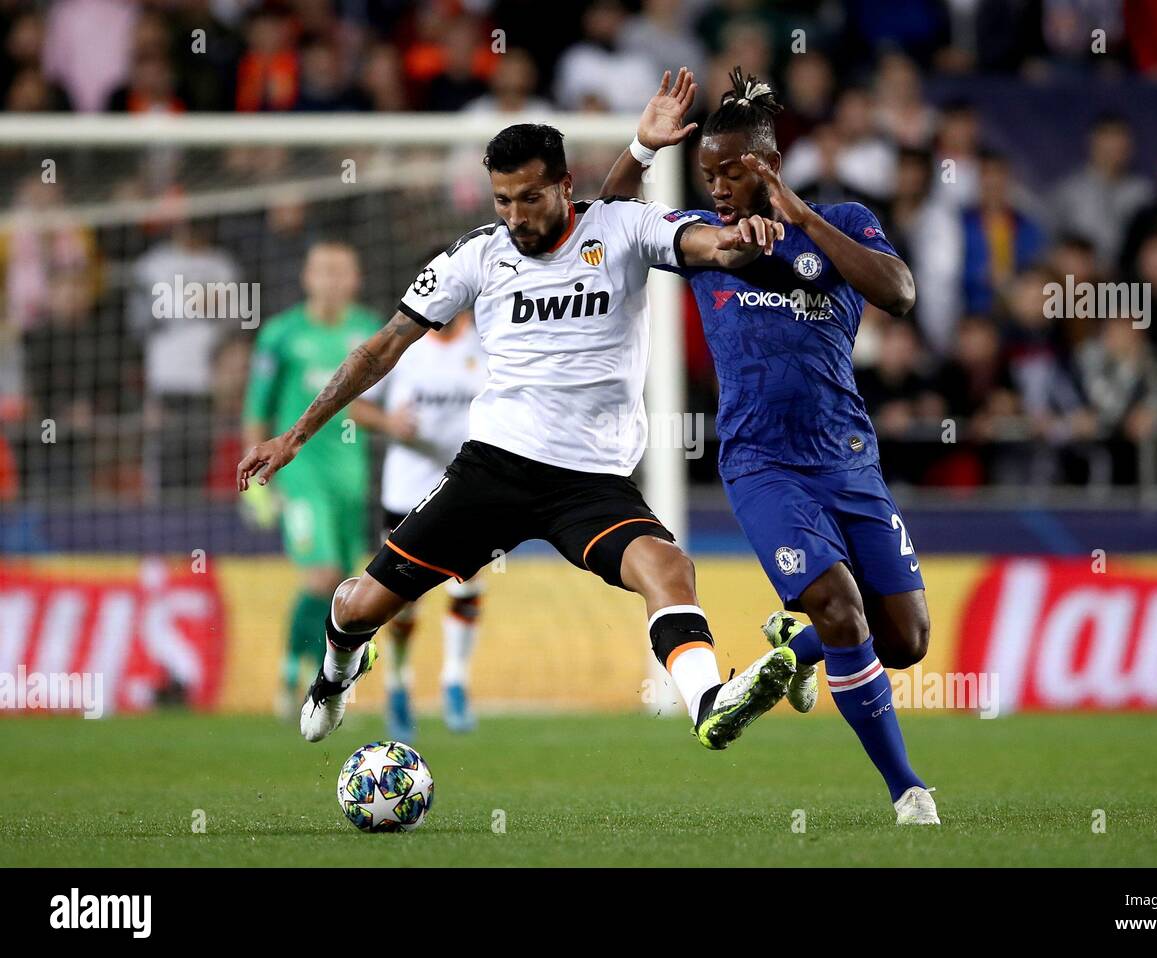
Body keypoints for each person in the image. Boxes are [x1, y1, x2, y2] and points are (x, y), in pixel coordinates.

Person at [238, 115, 796, 753]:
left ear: (564, 184)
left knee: (669, 567)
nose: (516, 216)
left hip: (590, 483)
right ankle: (336, 673)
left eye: (530, 198)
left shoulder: (625, 227)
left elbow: (712, 246)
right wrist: (295, 435)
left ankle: (708, 705)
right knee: (359, 607)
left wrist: (744, 235)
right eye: (502, 200)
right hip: (493, 470)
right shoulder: (477, 254)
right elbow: (381, 348)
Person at [601, 67, 938, 824]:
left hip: (848, 459)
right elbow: (601, 223)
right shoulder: (700, 239)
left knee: (907, 641)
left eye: (731, 171)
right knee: (842, 608)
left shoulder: (846, 219)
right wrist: (640, 148)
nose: (717, 186)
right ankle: (907, 789)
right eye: (706, 173)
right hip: (761, 464)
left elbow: (900, 294)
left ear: (769, 165)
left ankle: (796, 643)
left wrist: (802, 218)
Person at [242, 242, 383, 717]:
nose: (332, 279)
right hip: (300, 476)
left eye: (341, 270)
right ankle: (292, 669)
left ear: (355, 278)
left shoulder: (367, 330)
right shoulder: (281, 335)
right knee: (321, 575)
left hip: (351, 478)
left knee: (346, 590)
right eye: (323, 270)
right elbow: (256, 410)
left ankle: (318, 675)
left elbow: (368, 406)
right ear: (306, 277)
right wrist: (257, 482)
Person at [350, 311, 487, 737]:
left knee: (467, 586)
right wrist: (389, 422)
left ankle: (455, 683)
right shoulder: (404, 346)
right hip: (407, 489)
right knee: (402, 598)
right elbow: (355, 404)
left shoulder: (486, 342)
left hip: (466, 486)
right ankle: (398, 687)